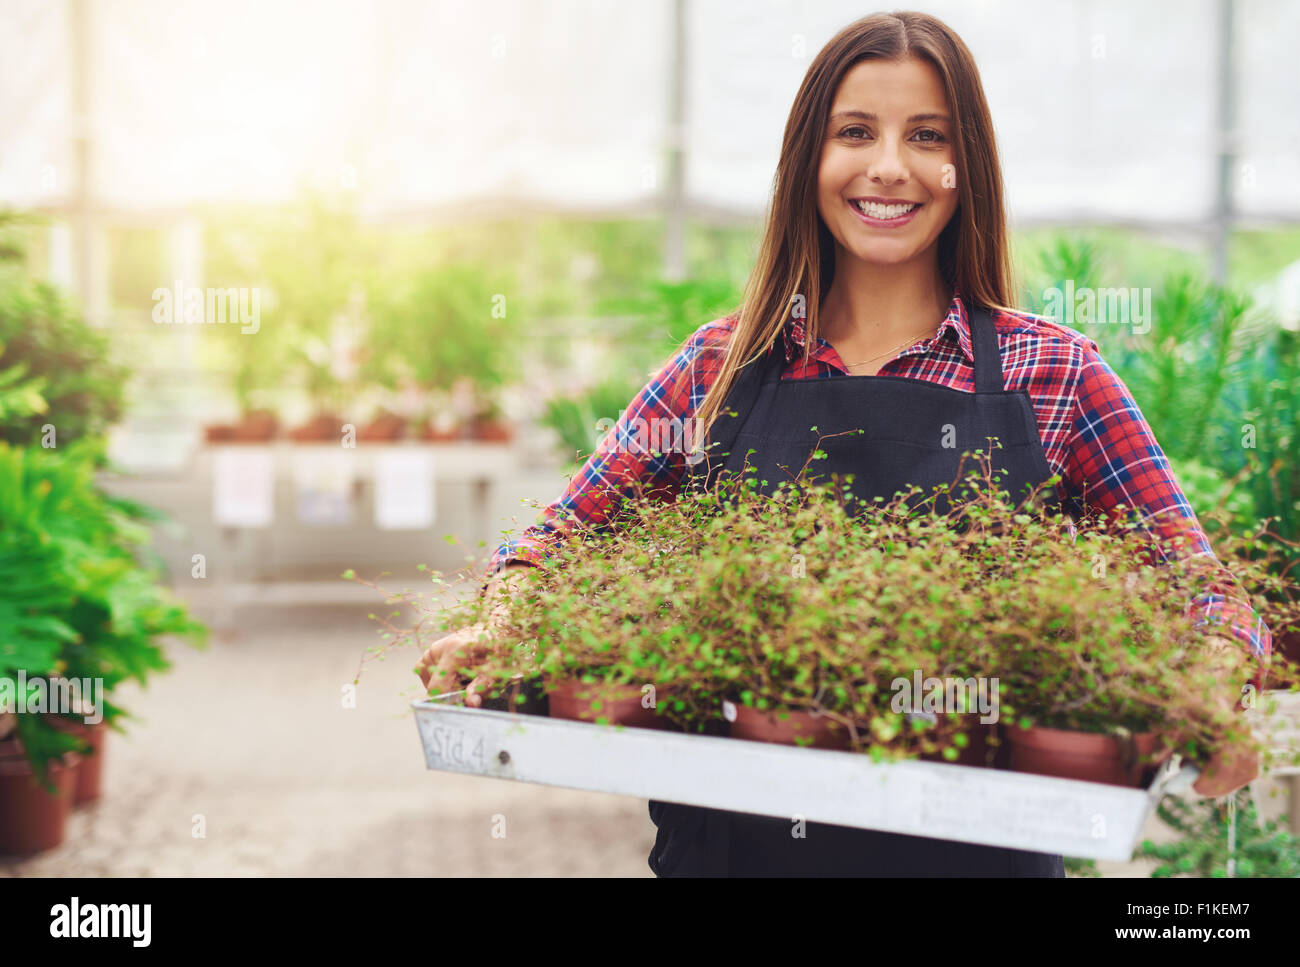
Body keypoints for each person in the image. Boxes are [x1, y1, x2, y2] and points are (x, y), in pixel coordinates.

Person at [417, 10, 1269, 876]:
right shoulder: (716, 370)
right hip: (735, 853)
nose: (889, 167)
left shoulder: (1052, 372)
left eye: (926, 135)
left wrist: (1207, 693)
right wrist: (501, 626)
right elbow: (549, 548)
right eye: (855, 132)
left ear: (962, 164)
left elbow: (1210, 598)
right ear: (807, 162)